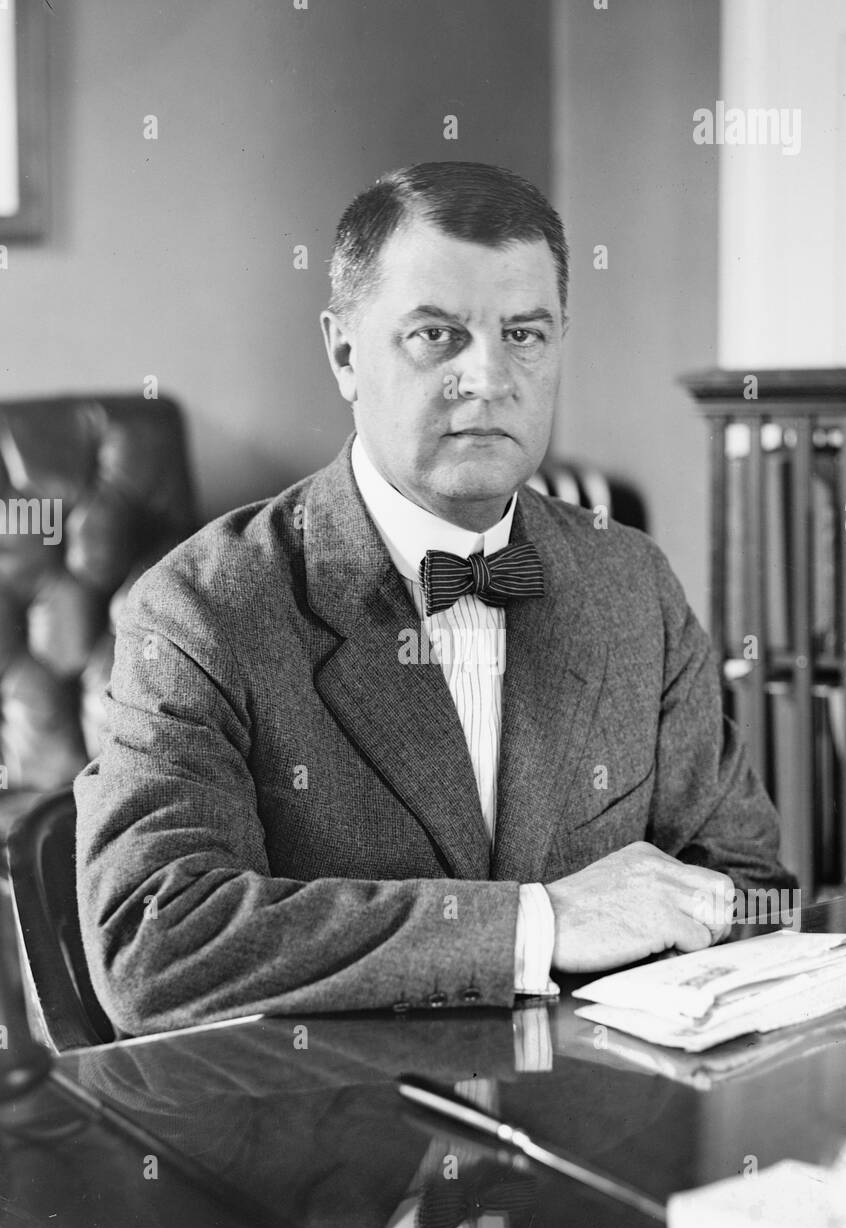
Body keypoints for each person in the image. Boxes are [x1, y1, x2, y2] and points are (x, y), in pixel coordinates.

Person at [74, 161, 792, 1036]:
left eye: (524, 334)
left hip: (599, 1125)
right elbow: (156, 944)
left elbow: (753, 890)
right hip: (329, 1146)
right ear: (344, 352)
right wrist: (538, 926)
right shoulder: (198, 611)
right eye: (436, 335)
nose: (487, 377)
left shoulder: (631, 582)